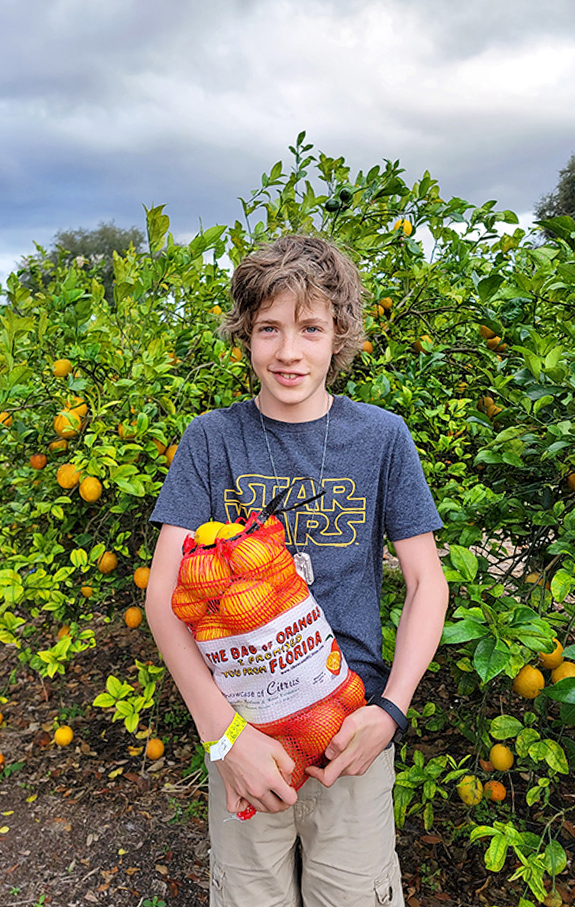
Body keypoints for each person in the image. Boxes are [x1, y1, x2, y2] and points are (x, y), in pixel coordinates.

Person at [145, 234, 449, 907]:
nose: (288, 351)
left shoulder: (380, 437)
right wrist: (223, 736)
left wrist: (392, 711)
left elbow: (428, 581)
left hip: (351, 737)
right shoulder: (213, 439)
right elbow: (163, 596)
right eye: (269, 329)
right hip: (247, 738)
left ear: (338, 334)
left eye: (310, 328)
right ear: (244, 336)